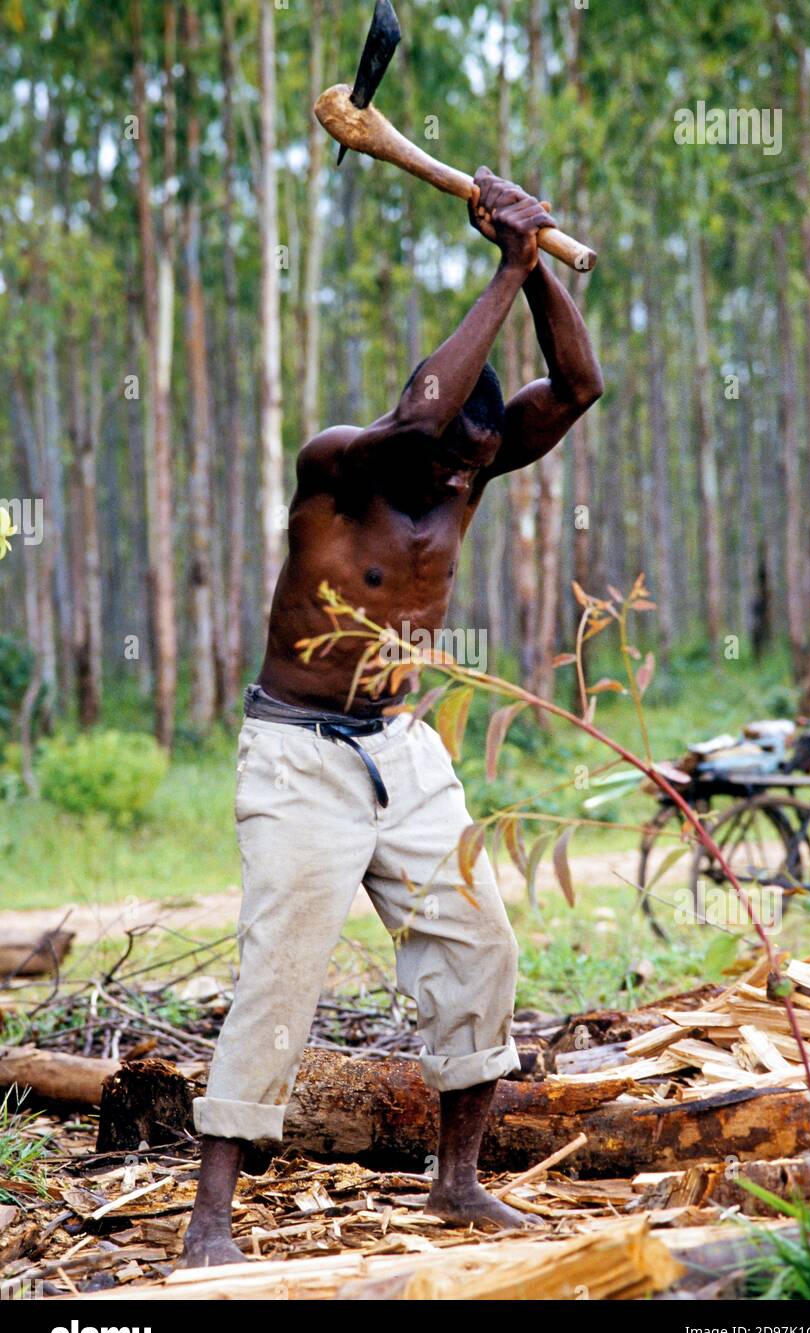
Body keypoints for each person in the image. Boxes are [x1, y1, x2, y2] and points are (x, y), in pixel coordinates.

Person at [180, 167, 603, 1266]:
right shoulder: (342, 460)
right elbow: (420, 409)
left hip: (402, 747)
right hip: (295, 754)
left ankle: (455, 1184)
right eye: (443, 455)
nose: (454, 473)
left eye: (472, 460)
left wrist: (539, 246)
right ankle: (211, 1220)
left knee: (480, 945)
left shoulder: (465, 463)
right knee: (282, 969)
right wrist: (505, 265)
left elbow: (578, 385)